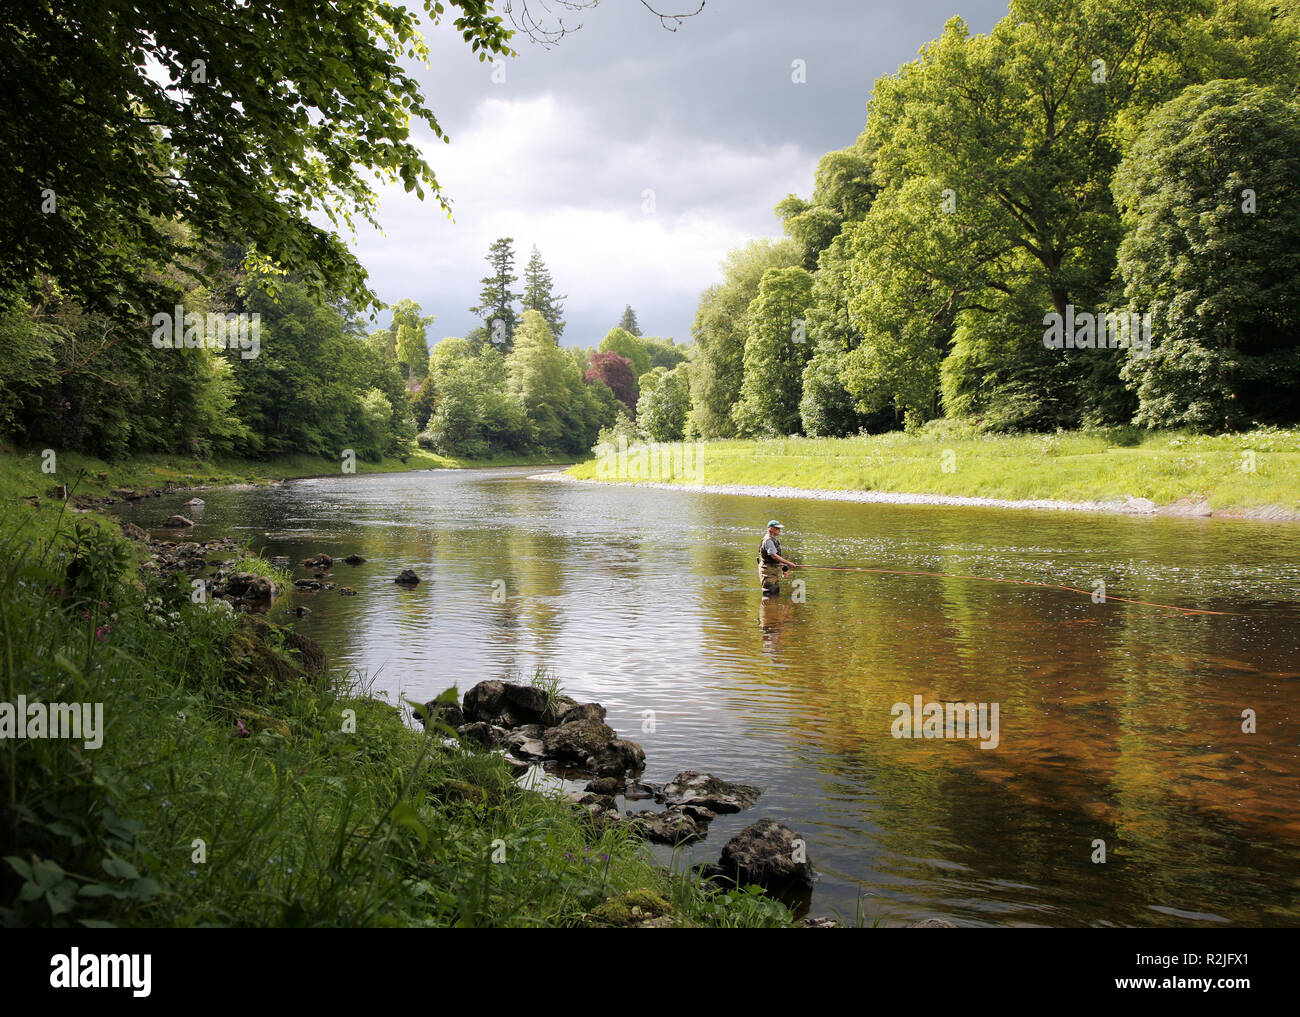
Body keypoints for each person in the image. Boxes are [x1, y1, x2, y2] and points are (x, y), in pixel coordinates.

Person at [757, 520, 797, 596]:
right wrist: (788, 563)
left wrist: (783, 569)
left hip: (773, 569)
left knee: (775, 592)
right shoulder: (768, 540)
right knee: (769, 594)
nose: (779, 530)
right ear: (771, 529)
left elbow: (777, 556)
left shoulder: (775, 539)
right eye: (777, 528)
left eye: (779, 528)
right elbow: (773, 555)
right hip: (767, 570)